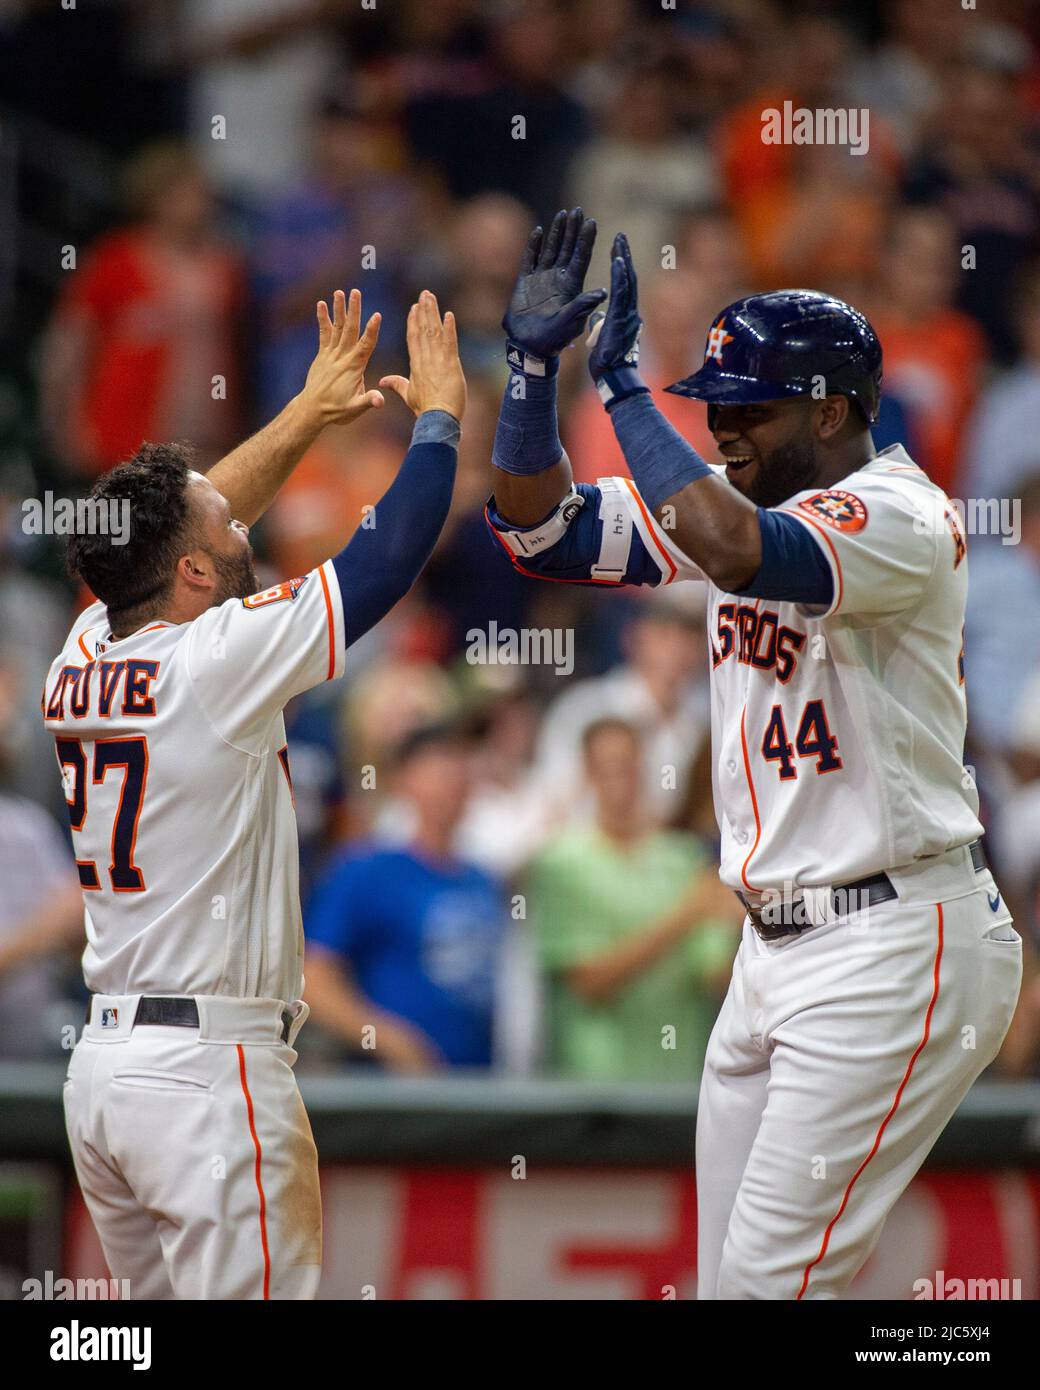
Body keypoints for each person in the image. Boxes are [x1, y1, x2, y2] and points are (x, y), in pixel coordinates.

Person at [483, 208, 1022, 1299]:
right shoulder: (735, 501)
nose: (722, 427)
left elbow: (733, 549)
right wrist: (533, 381)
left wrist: (625, 389)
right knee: (736, 1284)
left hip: (892, 935)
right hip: (773, 950)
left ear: (830, 409)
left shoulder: (900, 515)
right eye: (712, 405)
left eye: (745, 406)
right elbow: (536, 529)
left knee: (766, 1289)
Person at [47, 287, 467, 1300]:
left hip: (107, 1076)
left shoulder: (84, 647)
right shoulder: (215, 657)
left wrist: (306, 415)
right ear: (191, 569)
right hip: (208, 1077)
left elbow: (174, 529)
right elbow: (384, 558)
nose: (240, 518)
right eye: (220, 525)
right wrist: (444, 418)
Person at [526, 717, 738, 1083]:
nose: (620, 778)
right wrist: (685, 917)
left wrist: (755, 924)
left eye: (629, 764)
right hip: (591, 1088)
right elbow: (588, 983)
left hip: (676, 1081)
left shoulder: (684, 858)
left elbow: (712, 975)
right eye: (608, 766)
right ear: (588, 774)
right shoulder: (560, 861)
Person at [303, 723, 513, 1071]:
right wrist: (388, 1040)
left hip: (477, 1089)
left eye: (461, 766)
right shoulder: (367, 870)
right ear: (404, 781)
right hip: (391, 1096)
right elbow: (314, 979)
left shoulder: (482, 879)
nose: (454, 780)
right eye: (440, 768)